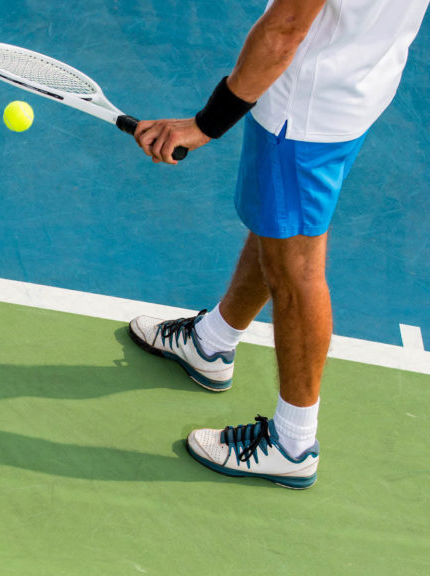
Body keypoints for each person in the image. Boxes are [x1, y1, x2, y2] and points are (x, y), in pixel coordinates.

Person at [128, 0, 430, 488]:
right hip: (359, 86)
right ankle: (212, 344)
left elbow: (285, 29)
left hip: (302, 110)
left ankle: (292, 443)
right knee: (279, 234)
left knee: (297, 271)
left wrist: (206, 124)